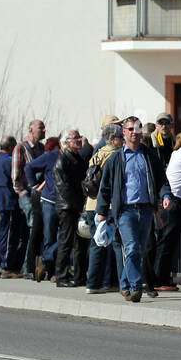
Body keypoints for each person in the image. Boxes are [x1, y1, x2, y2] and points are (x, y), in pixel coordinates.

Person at [97, 116, 168, 301]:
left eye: (137, 129)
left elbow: (161, 180)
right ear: (124, 132)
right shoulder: (116, 159)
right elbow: (105, 186)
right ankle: (136, 287)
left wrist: (166, 196)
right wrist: (101, 212)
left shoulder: (150, 156)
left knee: (139, 249)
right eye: (130, 129)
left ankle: (125, 283)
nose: (134, 133)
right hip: (125, 211)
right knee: (132, 247)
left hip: (145, 210)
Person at [47, 129, 91, 288]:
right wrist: (78, 206)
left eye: (79, 137)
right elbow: (64, 188)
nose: (79, 140)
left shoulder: (78, 158)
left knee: (81, 243)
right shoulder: (62, 161)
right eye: (75, 138)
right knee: (66, 242)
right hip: (67, 207)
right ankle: (61, 276)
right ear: (66, 142)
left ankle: (80, 277)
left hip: (77, 206)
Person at [155, 128, 181, 291]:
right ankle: (161, 279)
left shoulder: (178, 153)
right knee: (167, 243)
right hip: (175, 203)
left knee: (172, 242)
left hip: (177, 202)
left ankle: (164, 277)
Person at [84, 123, 125, 294]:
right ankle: (124, 284)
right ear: (112, 139)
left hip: (92, 204)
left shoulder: (97, 154)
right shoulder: (114, 156)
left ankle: (93, 284)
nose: (123, 141)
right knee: (117, 244)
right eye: (120, 137)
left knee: (97, 243)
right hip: (107, 206)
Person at [23, 135, 64, 281]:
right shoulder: (50, 157)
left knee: (64, 236)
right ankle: (49, 270)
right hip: (49, 201)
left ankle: (46, 260)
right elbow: (29, 167)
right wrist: (34, 186)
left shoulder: (74, 158)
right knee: (49, 236)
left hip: (65, 202)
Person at [12, 120, 47, 280]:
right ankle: (28, 267)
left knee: (40, 230)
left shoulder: (41, 149)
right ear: (31, 130)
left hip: (41, 196)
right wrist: (24, 195)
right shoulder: (21, 148)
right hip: (27, 195)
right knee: (33, 228)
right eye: (40, 128)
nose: (44, 130)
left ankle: (38, 266)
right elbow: (16, 176)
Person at [0, 136, 24, 277]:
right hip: (9, 202)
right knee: (9, 235)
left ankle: (1, 263)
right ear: (11, 147)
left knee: (3, 233)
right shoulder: (8, 161)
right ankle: (7, 266)